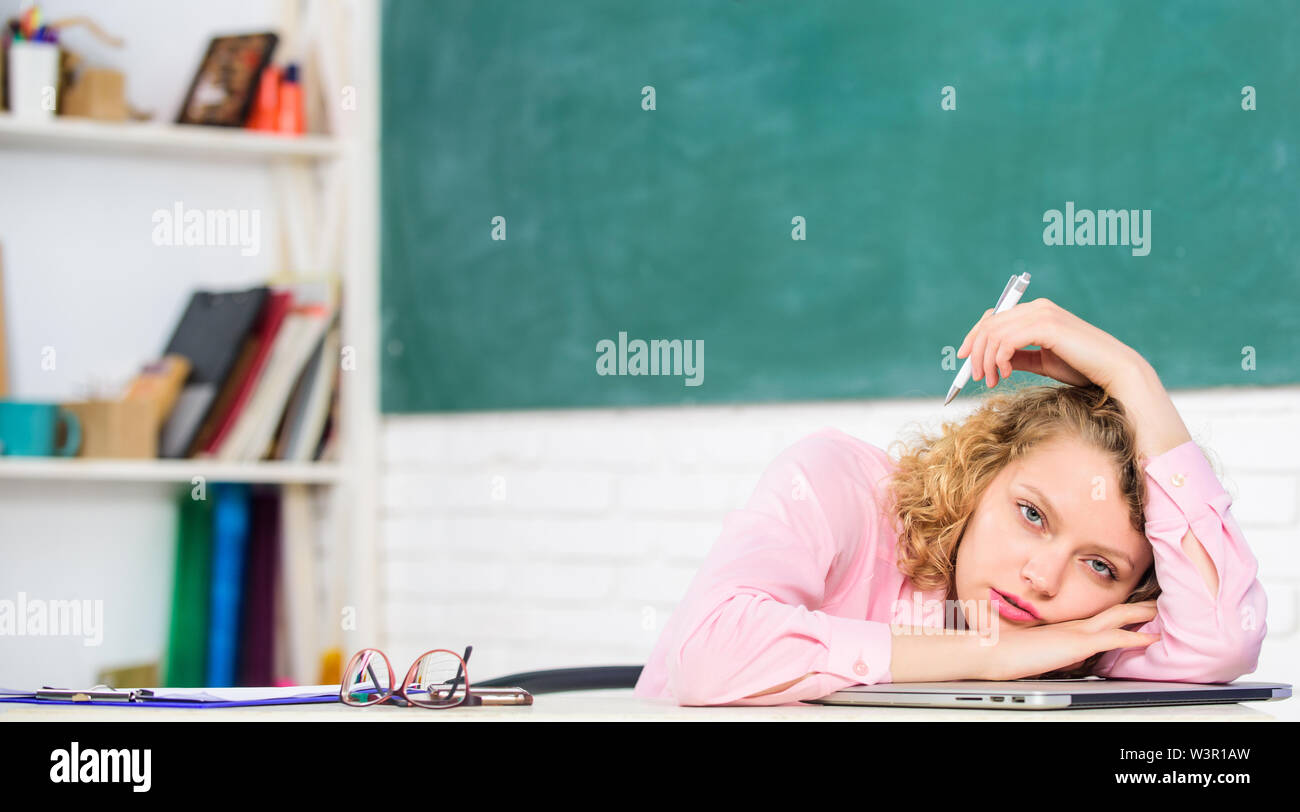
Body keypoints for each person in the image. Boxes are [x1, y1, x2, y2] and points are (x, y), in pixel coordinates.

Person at [633, 298, 1268, 706]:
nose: (1042, 579)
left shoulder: (1079, 634)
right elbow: (707, 655)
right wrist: (995, 652)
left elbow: (1222, 642)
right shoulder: (841, 487)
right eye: (1032, 515)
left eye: (1099, 565)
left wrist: (1135, 378)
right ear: (980, 473)